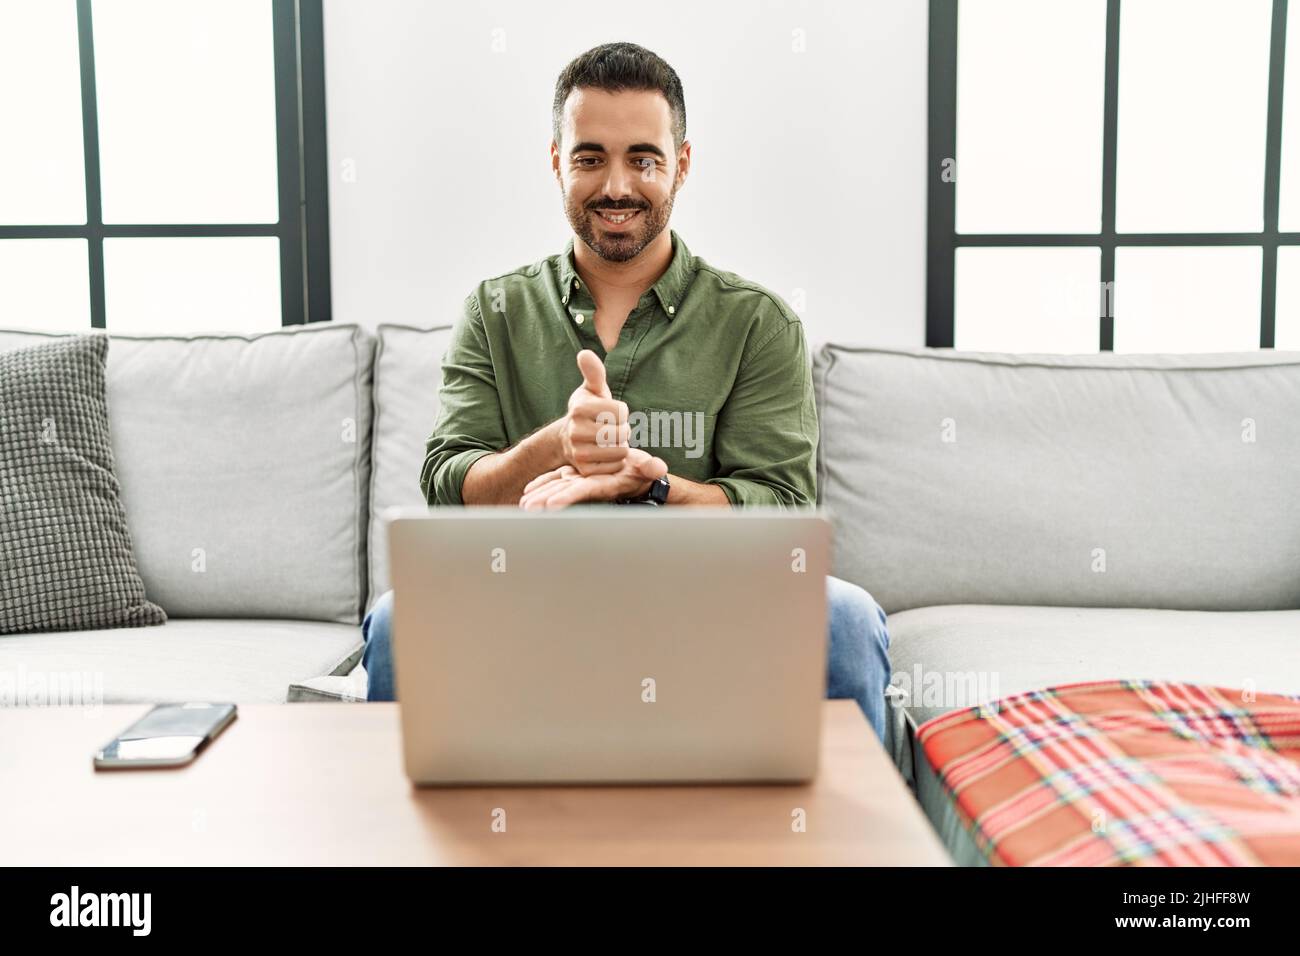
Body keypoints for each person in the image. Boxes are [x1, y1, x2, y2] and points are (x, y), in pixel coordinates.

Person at [362, 41, 891, 742]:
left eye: (643, 157)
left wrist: (653, 486)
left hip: (710, 600)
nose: (617, 185)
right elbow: (446, 485)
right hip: (530, 591)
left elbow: (783, 510)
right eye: (590, 157)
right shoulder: (495, 312)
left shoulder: (757, 322)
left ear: (683, 164)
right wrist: (554, 447)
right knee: (402, 621)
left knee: (846, 621)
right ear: (557, 161)